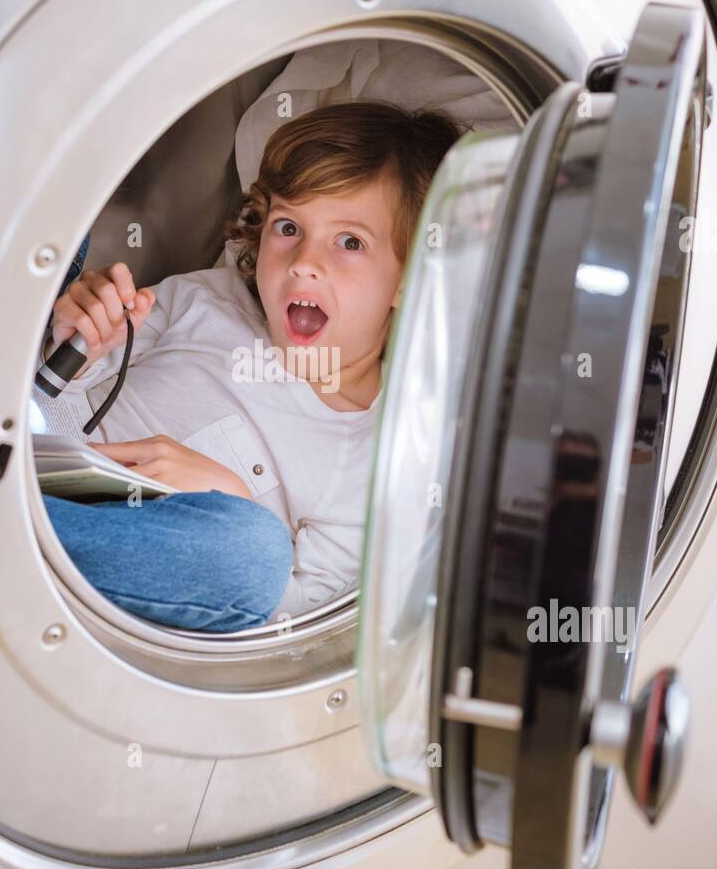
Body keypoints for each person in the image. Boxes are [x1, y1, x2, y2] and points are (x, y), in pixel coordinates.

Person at [40, 99, 460, 632]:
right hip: (37, 451)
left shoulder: (373, 464)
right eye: (288, 227)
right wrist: (79, 341)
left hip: (114, 545)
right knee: (63, 238)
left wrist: (229, 497)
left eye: (350, 242)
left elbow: (286, 619)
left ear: (410, 278)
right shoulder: (209, 300)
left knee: (254, 552)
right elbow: (53, 407)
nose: (305, 261)